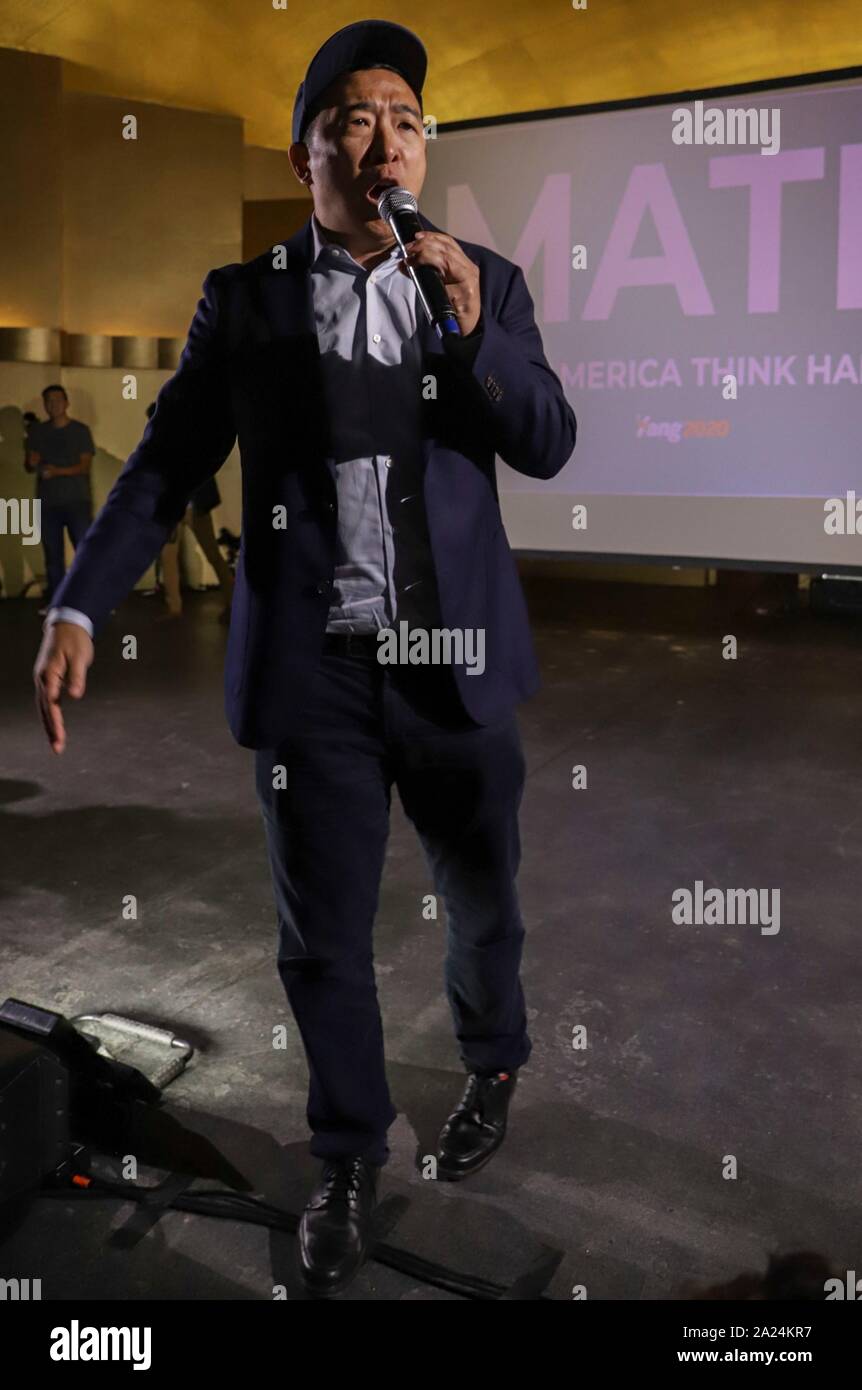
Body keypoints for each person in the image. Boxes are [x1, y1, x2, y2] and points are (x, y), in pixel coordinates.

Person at [33, 19, 577, 1298]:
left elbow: (549, 439)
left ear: (421, 147)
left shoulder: (482, 278)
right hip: (313, 675)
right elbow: (168, 463)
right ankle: (345, 1154)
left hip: (455, 660)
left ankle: (492, 1057)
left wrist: (473, 329)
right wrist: (75, 604)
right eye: (353, 114)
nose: (383, 133)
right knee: (319, 940)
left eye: (403, 114)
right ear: (306, 154)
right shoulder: (250, 295)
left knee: (483, 896)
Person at [146, 402, 235, 622]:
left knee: (211, 554)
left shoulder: (192, 440)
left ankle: (233, 603)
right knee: (169, 556)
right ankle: (174, 607)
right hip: (176, 506)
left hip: (194, 507)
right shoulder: (160, 445)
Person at [24, 386, 94, 613]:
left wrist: (57, 472)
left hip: (77, 501)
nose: (53, 405)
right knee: (53, 557)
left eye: (57, 400)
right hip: (47, 503)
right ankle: (57, 602)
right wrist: (31, 463)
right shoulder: (37, 432)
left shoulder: (80, 431)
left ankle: (91, 601)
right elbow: (30, 465)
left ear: (66, 403)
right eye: (48, 401)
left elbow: (84, 467)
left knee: (84, 552)